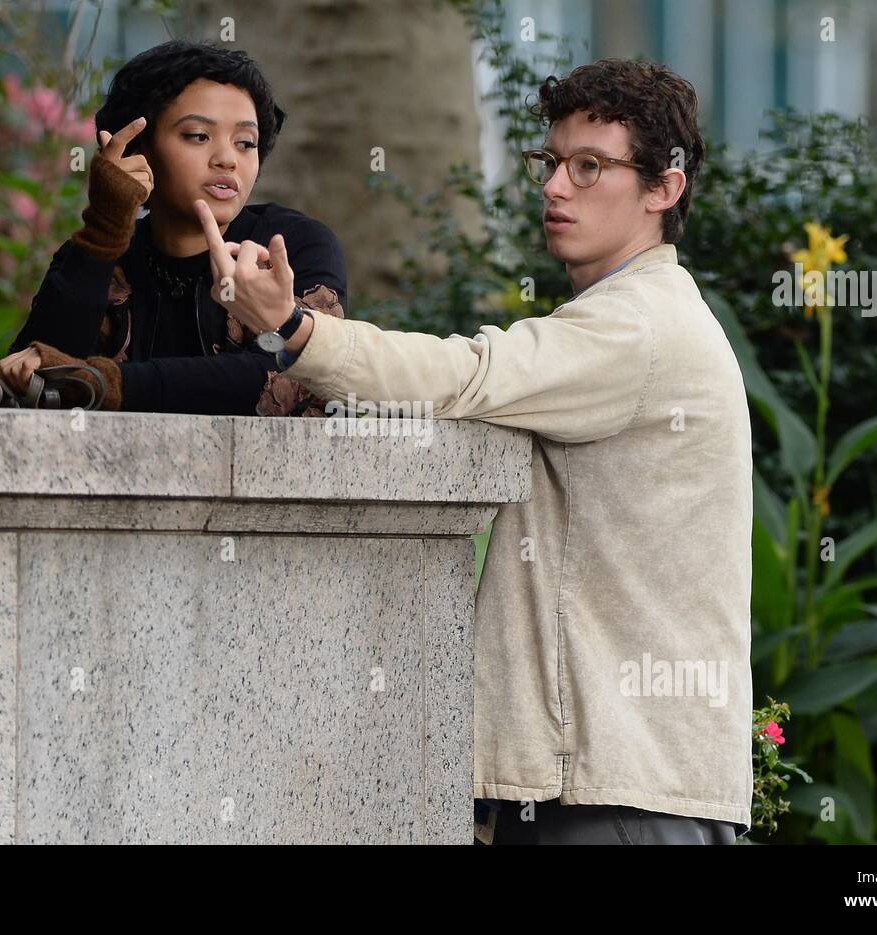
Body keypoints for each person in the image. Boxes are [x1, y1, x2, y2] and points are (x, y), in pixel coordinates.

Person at [196, 58, 754, 844]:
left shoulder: (636, 326)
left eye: (590, 166)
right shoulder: (636, 315)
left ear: (664, 187)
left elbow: (468, 374)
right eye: (550, 161)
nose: (556, 187)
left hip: (613, 799)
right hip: (611, 787)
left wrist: (294, 327)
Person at [0, 40, 346, 415]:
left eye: (245, 142)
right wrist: (105, 224)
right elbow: (32, 374)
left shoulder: (291, 245)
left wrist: (108, 383)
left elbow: (292, 373)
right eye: (198, 136)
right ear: (137, 151)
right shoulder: (99, 253)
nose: (227, 159)